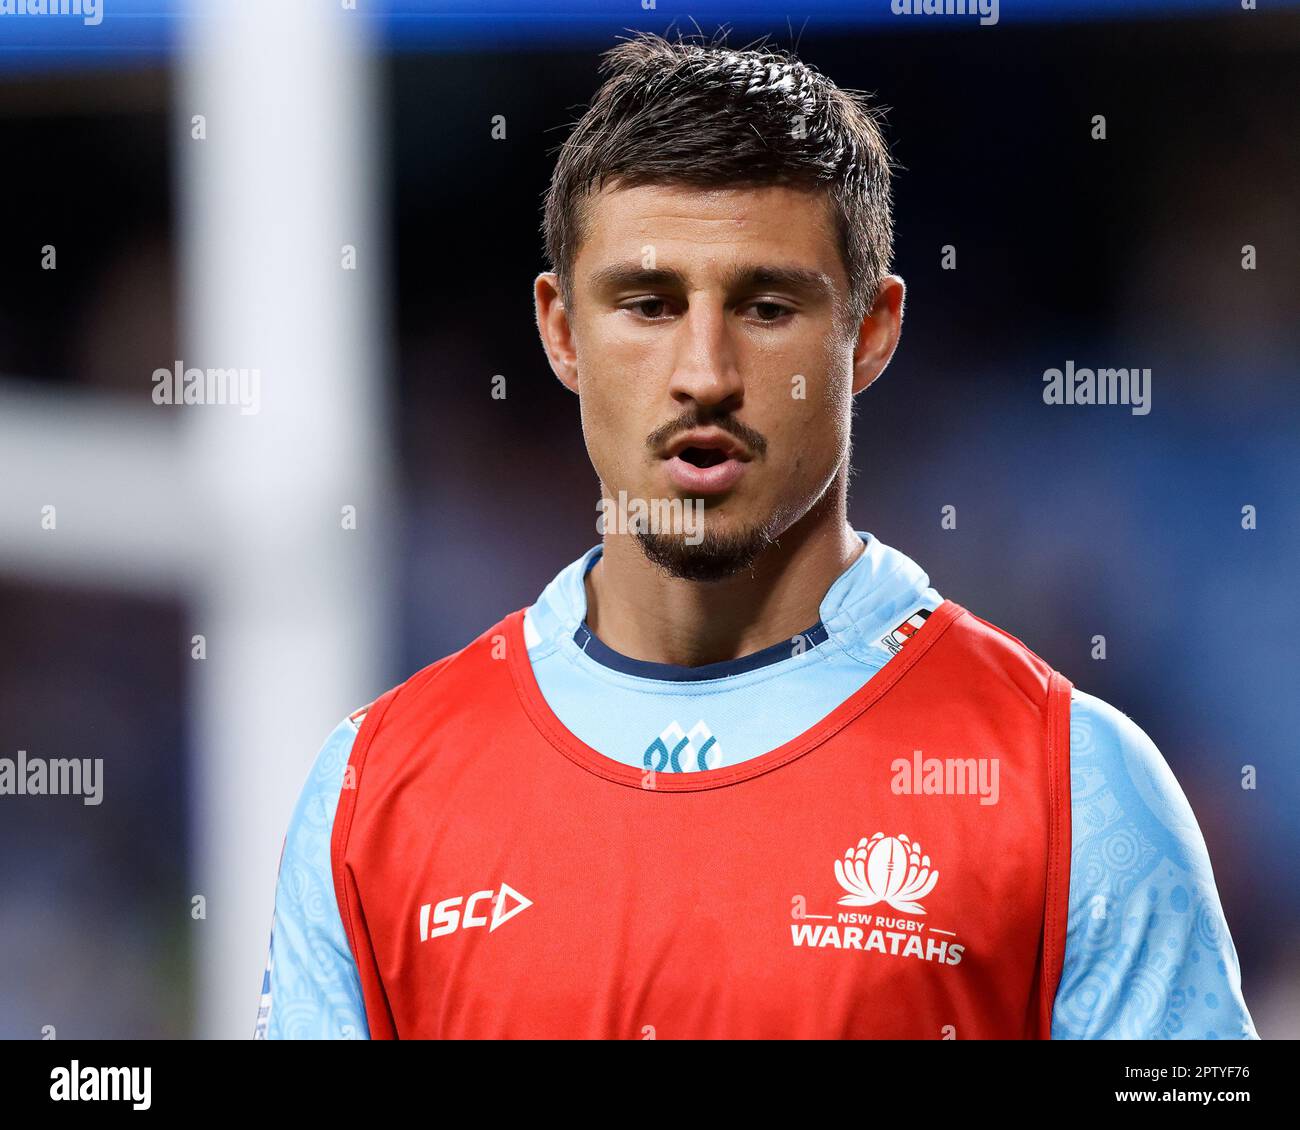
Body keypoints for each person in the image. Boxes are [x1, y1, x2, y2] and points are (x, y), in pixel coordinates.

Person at [256, 32, 1256, 1040]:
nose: (703, 370)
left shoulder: (1068, 785)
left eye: (765, 305)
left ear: (868, 330)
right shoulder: (376, 792)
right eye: (646, 304)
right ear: (560, 330)